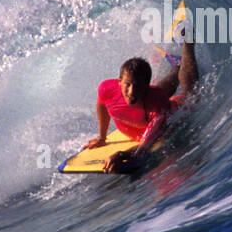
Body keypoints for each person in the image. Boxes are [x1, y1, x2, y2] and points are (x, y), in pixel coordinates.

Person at [84, 34, 198, 173]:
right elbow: (101, 103)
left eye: (137, 86)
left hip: (172, 110)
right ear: (119, 81)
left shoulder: (158, 110)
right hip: (149, 99)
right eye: (127, 84)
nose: (131, 91)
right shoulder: (107, 89)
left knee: (190, 94)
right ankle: (176, 69)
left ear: (146, 86)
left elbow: (144, 147)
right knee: (151, 94)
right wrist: (102, 137)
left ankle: (189, 43)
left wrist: (121, 155)